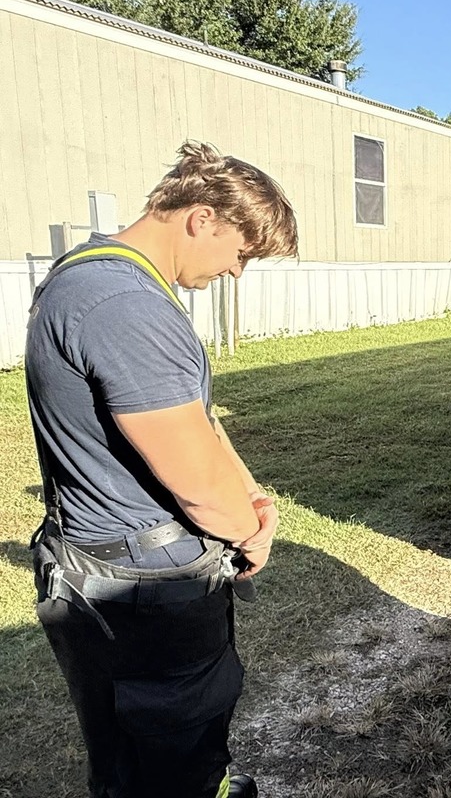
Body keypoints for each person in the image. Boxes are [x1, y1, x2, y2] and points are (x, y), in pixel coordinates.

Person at [25, 141, 298, 798]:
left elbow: (194, 418)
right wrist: (247, 529)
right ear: (202, 218)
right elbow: (197, 483)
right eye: (241, 253)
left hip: (119, 573)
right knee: (165, 758)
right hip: (142, 584)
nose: (237, 273)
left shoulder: (101, 274)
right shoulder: (124, 306)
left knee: (171, 746)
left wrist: (253, 496)